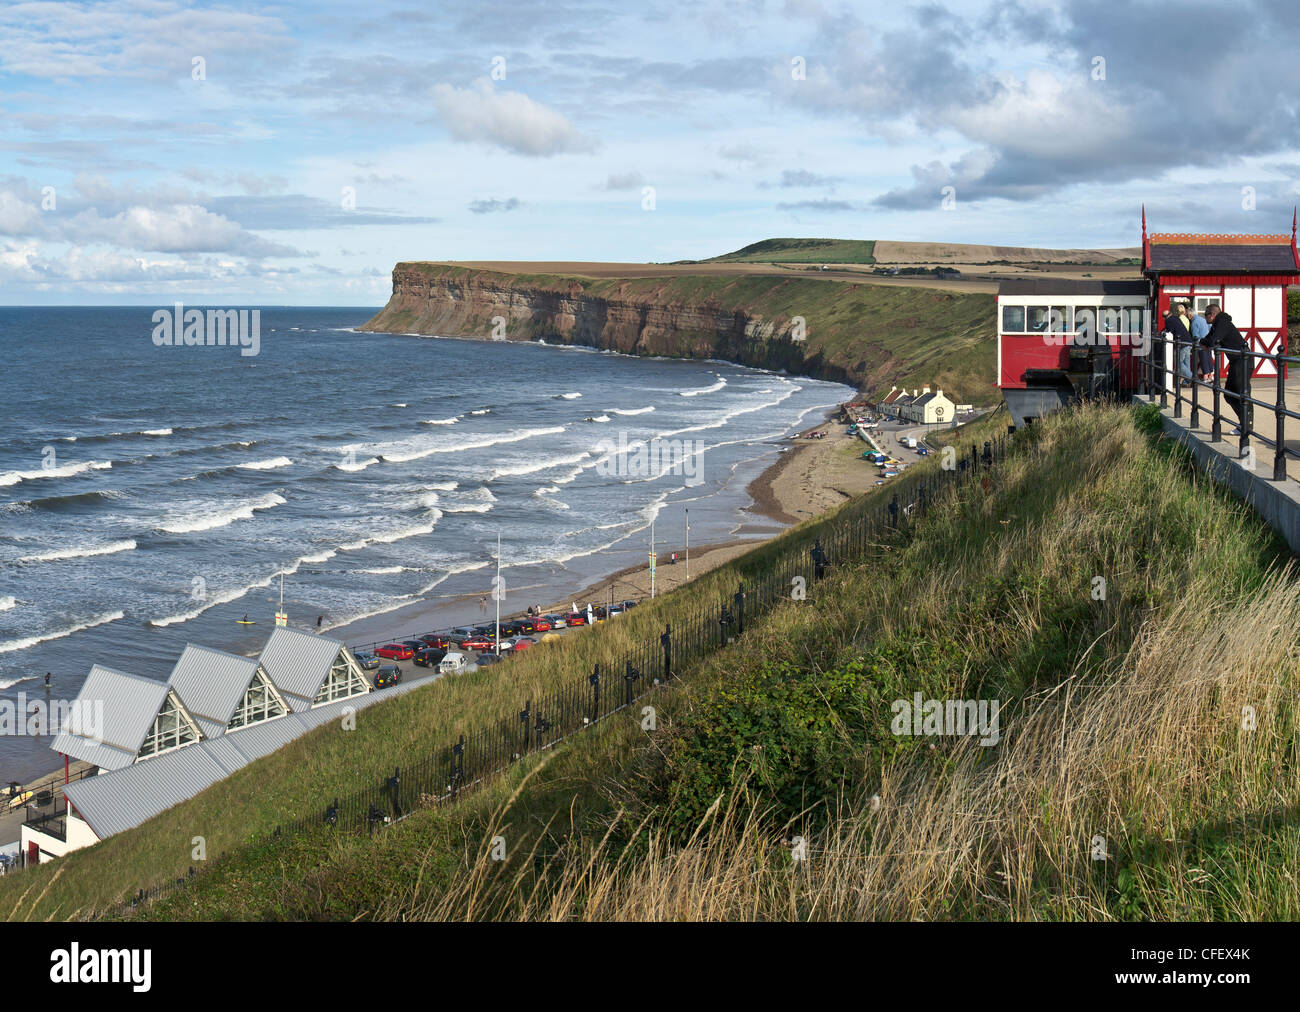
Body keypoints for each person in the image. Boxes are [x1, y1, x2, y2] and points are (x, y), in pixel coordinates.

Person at [1199, 303, 1251, 434]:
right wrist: (1204, 342)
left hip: (1243, 360)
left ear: (1213, 315)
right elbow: (1208, 339)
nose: (1204, 318)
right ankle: (1243, 423)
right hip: (1236, 361)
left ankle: (1246, 425)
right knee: (1229, 394)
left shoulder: (1223, 323)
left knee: (1241, 392)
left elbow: (1213, 340)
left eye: (1206, 315)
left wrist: (1206, 342)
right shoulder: (1217, 324)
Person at [1163, 306, 1193, 386]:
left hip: (1181, 343)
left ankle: (1192, 379)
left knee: (1178, 363)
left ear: (1165, 317)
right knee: (1186, 364)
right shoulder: (1176, 318)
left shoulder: (1168, 320)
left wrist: (1162, 333)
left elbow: (1169, 331)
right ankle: (1187, 382)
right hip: (1189, 341)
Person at [1188, 306, 1212, 380]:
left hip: (1200, 343)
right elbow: (1209, 327)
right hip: (1207, 341)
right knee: (1208, 358)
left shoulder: (1194, 322)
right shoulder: (1202, 319)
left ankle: (1205, 377)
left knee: (1203, 359)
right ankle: (1211, 376)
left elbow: (1195, 335)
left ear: (1190, 315)